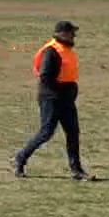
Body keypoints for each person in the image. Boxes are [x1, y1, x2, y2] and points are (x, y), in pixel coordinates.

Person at [12, 20, 94, 181]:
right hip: (52, 98)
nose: (74, 36)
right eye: (71, 33)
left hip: (66, 98)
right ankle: (20, 158)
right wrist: (59, 93)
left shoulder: (66, 50)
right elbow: (45, 76)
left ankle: (76, 170)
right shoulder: (51, 51)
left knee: (73, 133)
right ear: (62, 34)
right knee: (46, 132)